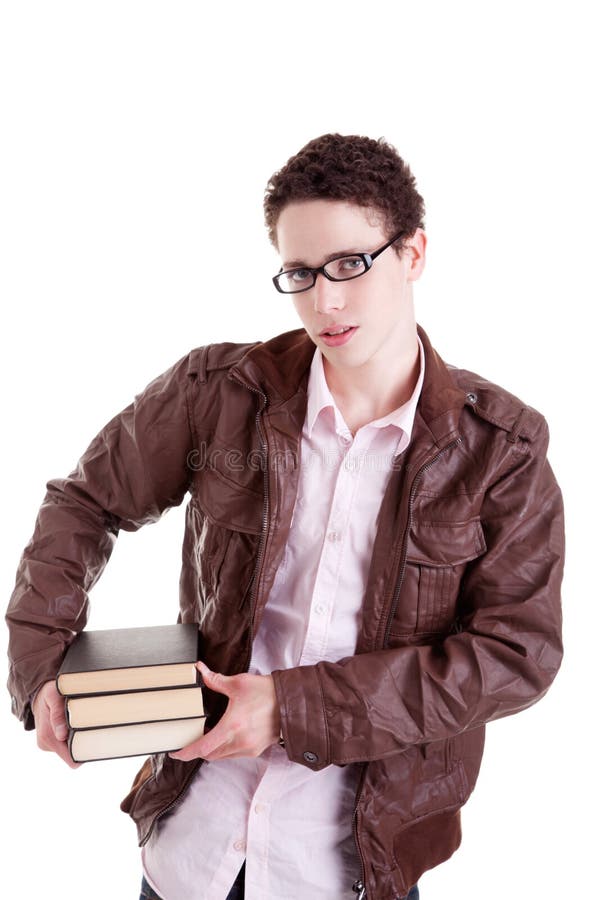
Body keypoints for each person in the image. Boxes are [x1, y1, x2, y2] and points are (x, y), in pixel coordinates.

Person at [6, 133, 565, 900]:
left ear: (414, 254)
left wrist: (292, 709)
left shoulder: (502, 449)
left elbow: (516, 654)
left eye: (349, 265)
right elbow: (85, 501)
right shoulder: (220, 391)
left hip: (350, 866)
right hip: (190, 853)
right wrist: (39, 666)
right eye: (300, 273)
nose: (324, 301)